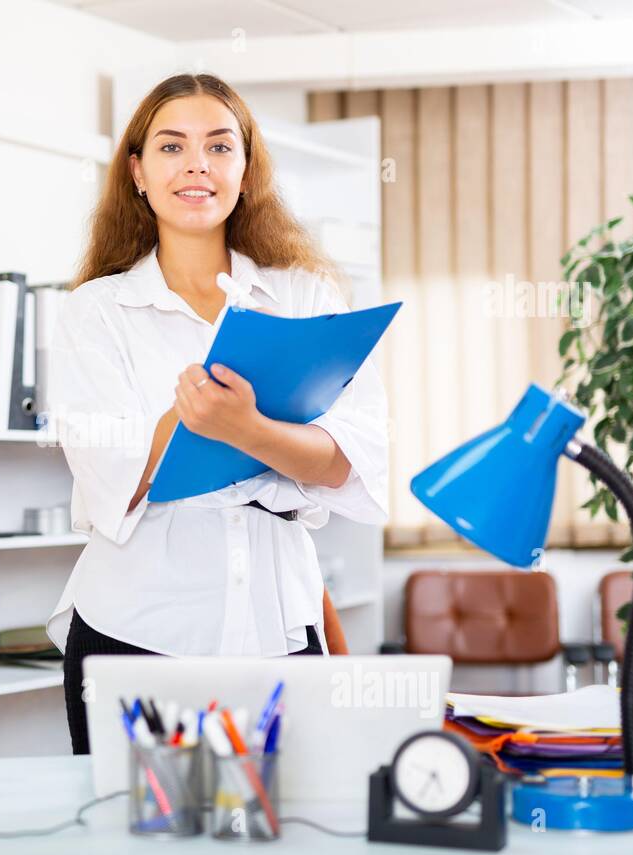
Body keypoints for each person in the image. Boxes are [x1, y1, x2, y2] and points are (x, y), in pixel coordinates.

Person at [44, 73, 390, 755]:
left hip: (281, 622)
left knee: (287, 834)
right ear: (138, 173)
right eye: (171, 147)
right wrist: (195, 415)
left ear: (246, 169)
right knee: (133, 845)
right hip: (137, 629)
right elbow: (110, 470)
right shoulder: (96, 311)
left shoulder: (306, 295)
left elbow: (352, 455)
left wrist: (247, 428)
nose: (197, 164)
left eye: (219, 147)